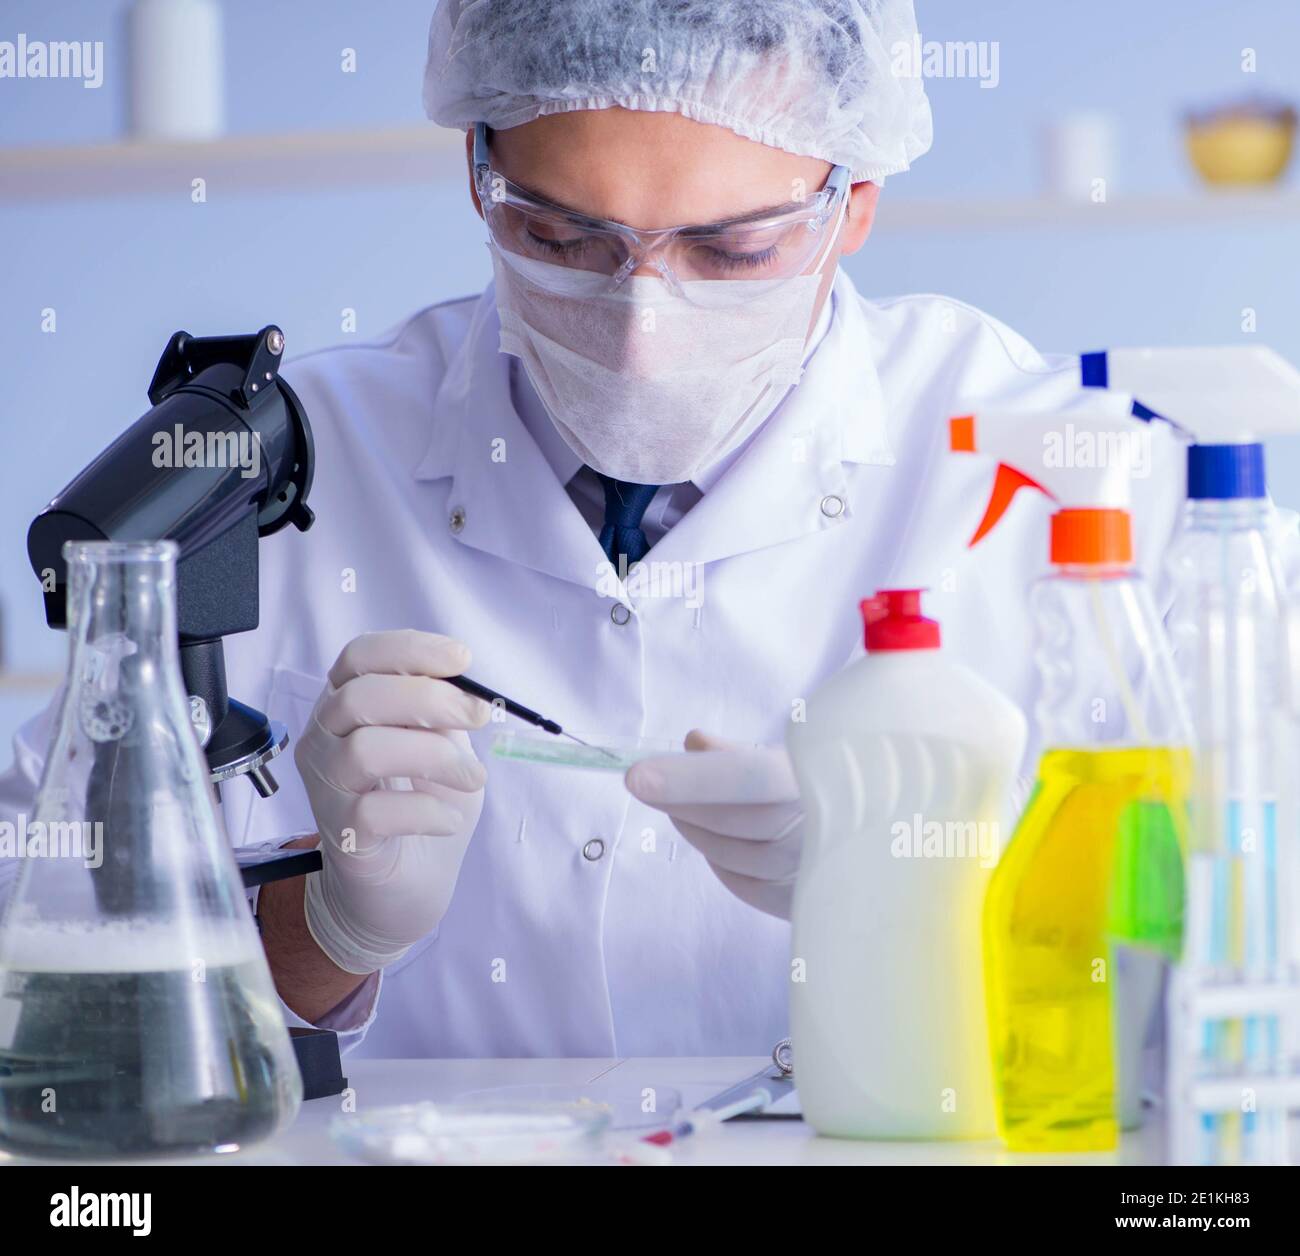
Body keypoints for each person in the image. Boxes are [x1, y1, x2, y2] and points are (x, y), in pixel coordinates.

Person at [0, 0, 1185, 1058]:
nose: (640, 333)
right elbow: (37, 967)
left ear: (851, 205)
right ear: (477, 173)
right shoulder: (291, 463)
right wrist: (325, 930)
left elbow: (1226, 963)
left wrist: (918, 882)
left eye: (731, 249)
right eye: (563, 240)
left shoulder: (1068, 474)